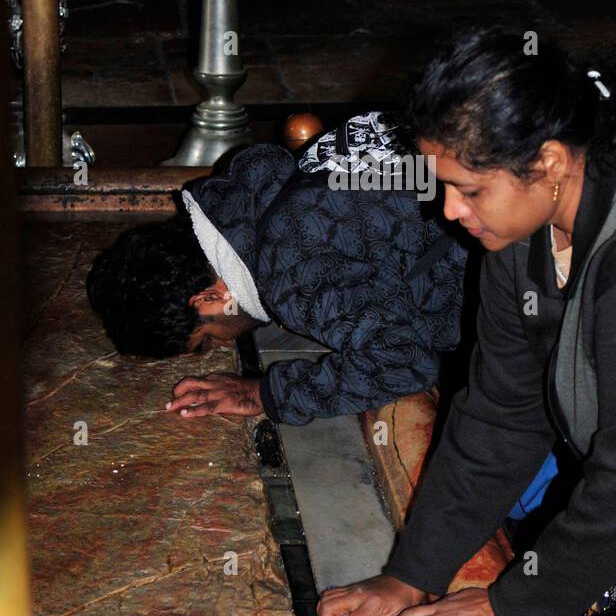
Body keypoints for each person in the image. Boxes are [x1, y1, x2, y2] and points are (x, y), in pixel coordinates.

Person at [318, 32, 616, 616]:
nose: (448, 211)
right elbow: (500, 411)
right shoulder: (523, 228)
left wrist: (513, 607)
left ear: (549, 162)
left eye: (467, 189)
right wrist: (410, 575)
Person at [86, 113, 468, 426]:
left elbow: (403, 359)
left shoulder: (292, 274)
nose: (221, 344)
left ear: (209, 297)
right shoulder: (265, 185)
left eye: (206, 339)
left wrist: (262, 394)